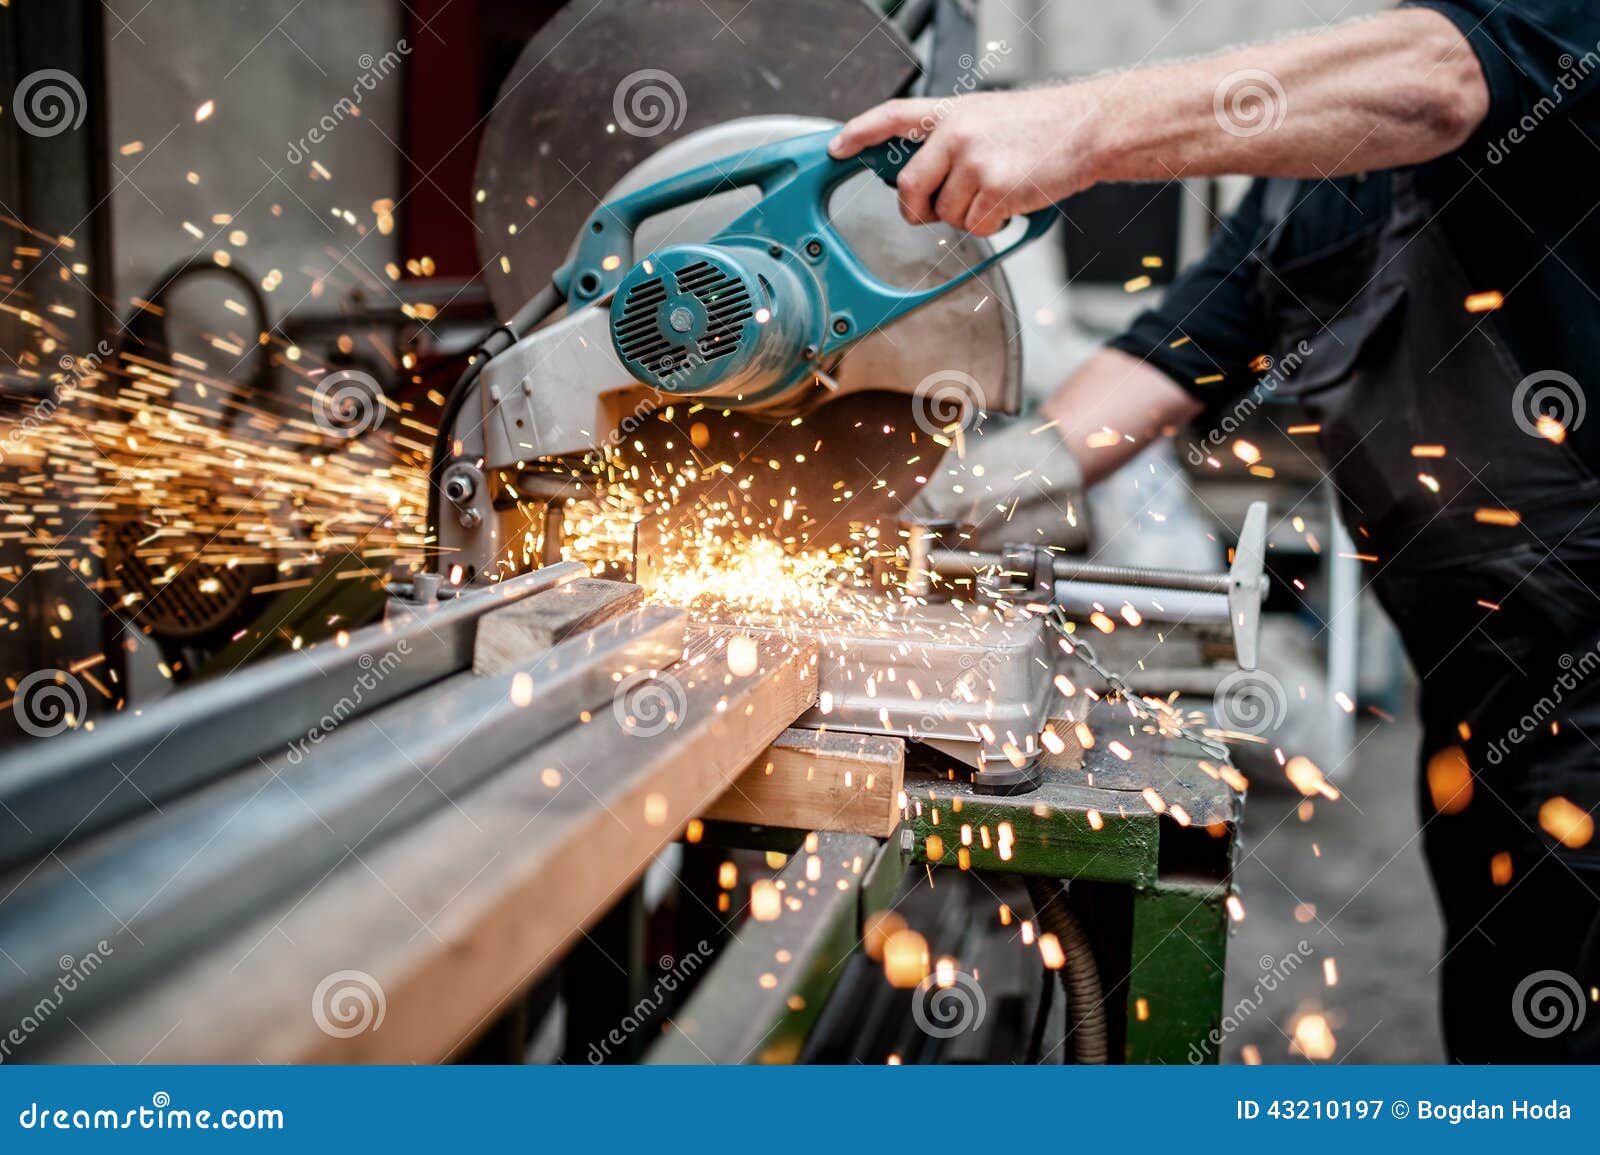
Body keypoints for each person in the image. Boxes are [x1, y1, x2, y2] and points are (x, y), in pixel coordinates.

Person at [832, 0, 1600, 1062]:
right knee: (1513, 1003)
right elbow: (1164, 358)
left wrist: (1074, 129)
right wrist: (945, 495)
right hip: (1484, 689)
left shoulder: (1505, 39)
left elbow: (1447, 77)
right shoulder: (1311, 180)